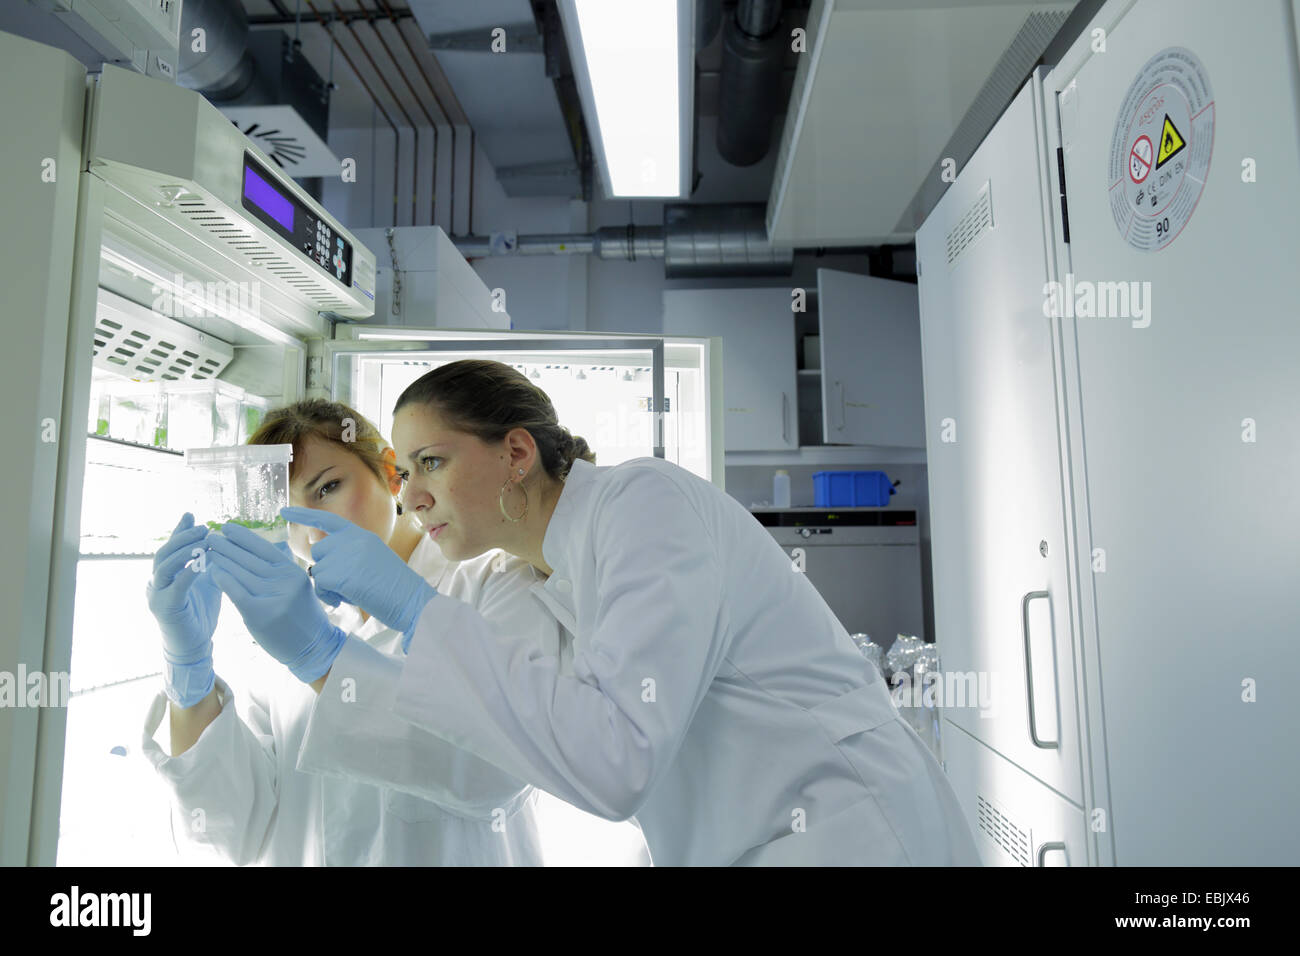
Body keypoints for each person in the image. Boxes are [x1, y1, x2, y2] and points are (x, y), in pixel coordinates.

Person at [206, 360, 982, 865]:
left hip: (853, 832)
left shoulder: (645, 506)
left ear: (517, 453)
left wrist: (406, 614)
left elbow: (617, 760)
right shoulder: (539, 566)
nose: (411, 496)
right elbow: (570, 734)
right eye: (406, 472)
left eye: (431, 463)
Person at [141, 399, 548, 865]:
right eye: (283, 511)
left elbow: (499, 773)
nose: (309, 529)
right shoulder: (279, 627)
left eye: (328, 487)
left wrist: (321, 658)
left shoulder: (493, 580)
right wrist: (188, 674)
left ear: (391, 473)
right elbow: (225, 839)